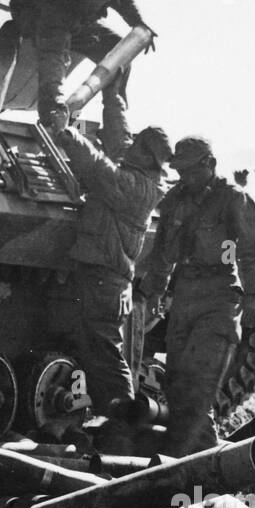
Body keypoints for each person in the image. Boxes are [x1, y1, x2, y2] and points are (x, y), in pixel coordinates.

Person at [138, 136, 255, 456]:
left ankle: (198, 466)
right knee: (175, 384)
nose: (185, 177)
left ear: (210, 165)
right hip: (184, 295)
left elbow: (254, 250)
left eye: (191, 171)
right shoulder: (176, 199)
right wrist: (155, 289)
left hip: (219, 296)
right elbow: (163, 252)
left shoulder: (233, 199)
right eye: (180, 171)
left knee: (199, 387)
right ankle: (186, 460)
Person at [54, 123, 172, 417]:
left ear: (148, 157)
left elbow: (98, 170)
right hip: (100, 277)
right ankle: (106, 416)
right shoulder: (139, 174)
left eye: (138, 146)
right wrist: (115, 87)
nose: (130, 147)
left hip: (106, 280)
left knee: (106, 355)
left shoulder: (137, 187)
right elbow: (118, 139)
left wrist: (73, 137)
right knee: (93, 349)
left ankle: (127, 423)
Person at [8, 0, 148, 156]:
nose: (100, 6)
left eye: (104, 1)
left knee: (119, 50)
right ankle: (51, 118)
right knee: (57, 58)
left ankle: (116, 126)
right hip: (37, 17)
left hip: (78, 19)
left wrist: (139, 23)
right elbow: (53, 60)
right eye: (96, 0)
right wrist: (56, 104)